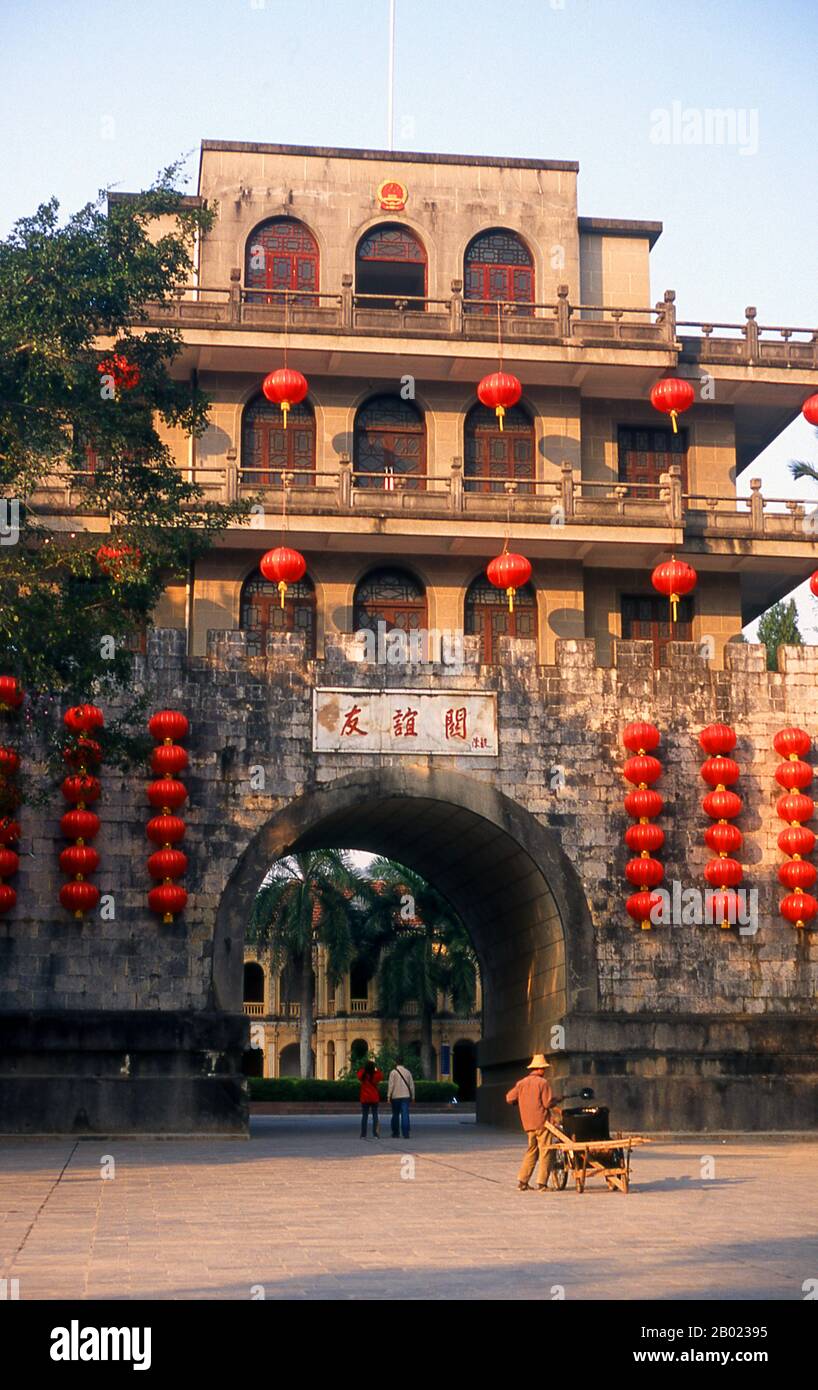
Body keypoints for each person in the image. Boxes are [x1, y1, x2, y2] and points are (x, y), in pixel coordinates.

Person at [505, 1053, 560, 1191]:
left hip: (528, 1124)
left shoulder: (521, 1083)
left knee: (531, 1151)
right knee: (545, 1151)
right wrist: (556, 1100)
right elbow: (547, 1103)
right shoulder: (543, 1083)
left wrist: (521, 1101)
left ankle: (523, 1181)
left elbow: (509, 1098)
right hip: (542, 1123)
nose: (544, 1071)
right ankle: (542, 1183)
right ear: (540, 1069)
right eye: (544, 1069)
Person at [388, 1056, 415, 1139]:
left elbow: (391, 1085)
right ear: (403, 1062)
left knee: (395, 1114)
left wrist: (389, 1096)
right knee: (405, 1114)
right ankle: (406, 1133)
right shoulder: (408, 1072)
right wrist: (413, 1096)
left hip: (395, 1096)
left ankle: (395, 1133)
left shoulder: (393, 1072)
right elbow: (411, 1085)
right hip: (406, 1096)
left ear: (396, 1062)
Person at [357, 1058, 383, 1139]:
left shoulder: (363, 1075)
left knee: (365, 1116)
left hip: (365, 1098)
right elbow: (381, 1076)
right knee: (375, 1115)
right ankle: (375, 1134)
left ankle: (363, 1134)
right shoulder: (375, 1075)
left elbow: (359, 1075)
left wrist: (364, 1069)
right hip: (374, 1097)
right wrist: (376, 1069)